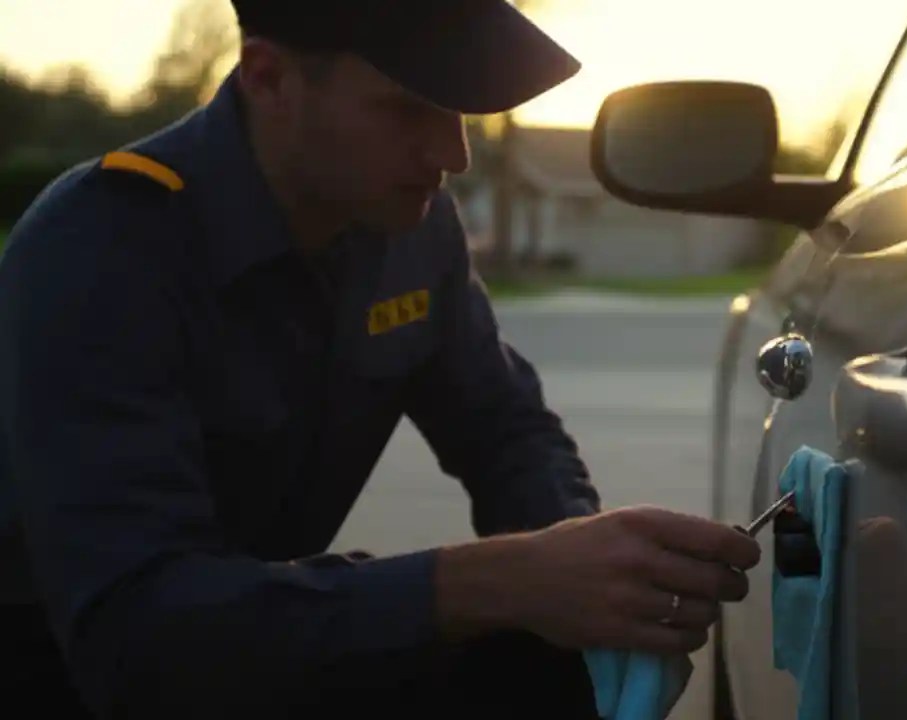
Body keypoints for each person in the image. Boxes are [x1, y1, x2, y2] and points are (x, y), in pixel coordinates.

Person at [0, 1, 762, 717]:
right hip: (78, 675)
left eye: (459, 108)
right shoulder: (103, 248)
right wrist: (503, 579)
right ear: (270, 79)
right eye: (408, 108)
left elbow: (504, 430)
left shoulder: (406, 223)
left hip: (254, 642)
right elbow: (135, 644)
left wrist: (586, 573)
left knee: (549, 658)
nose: (453, 153)